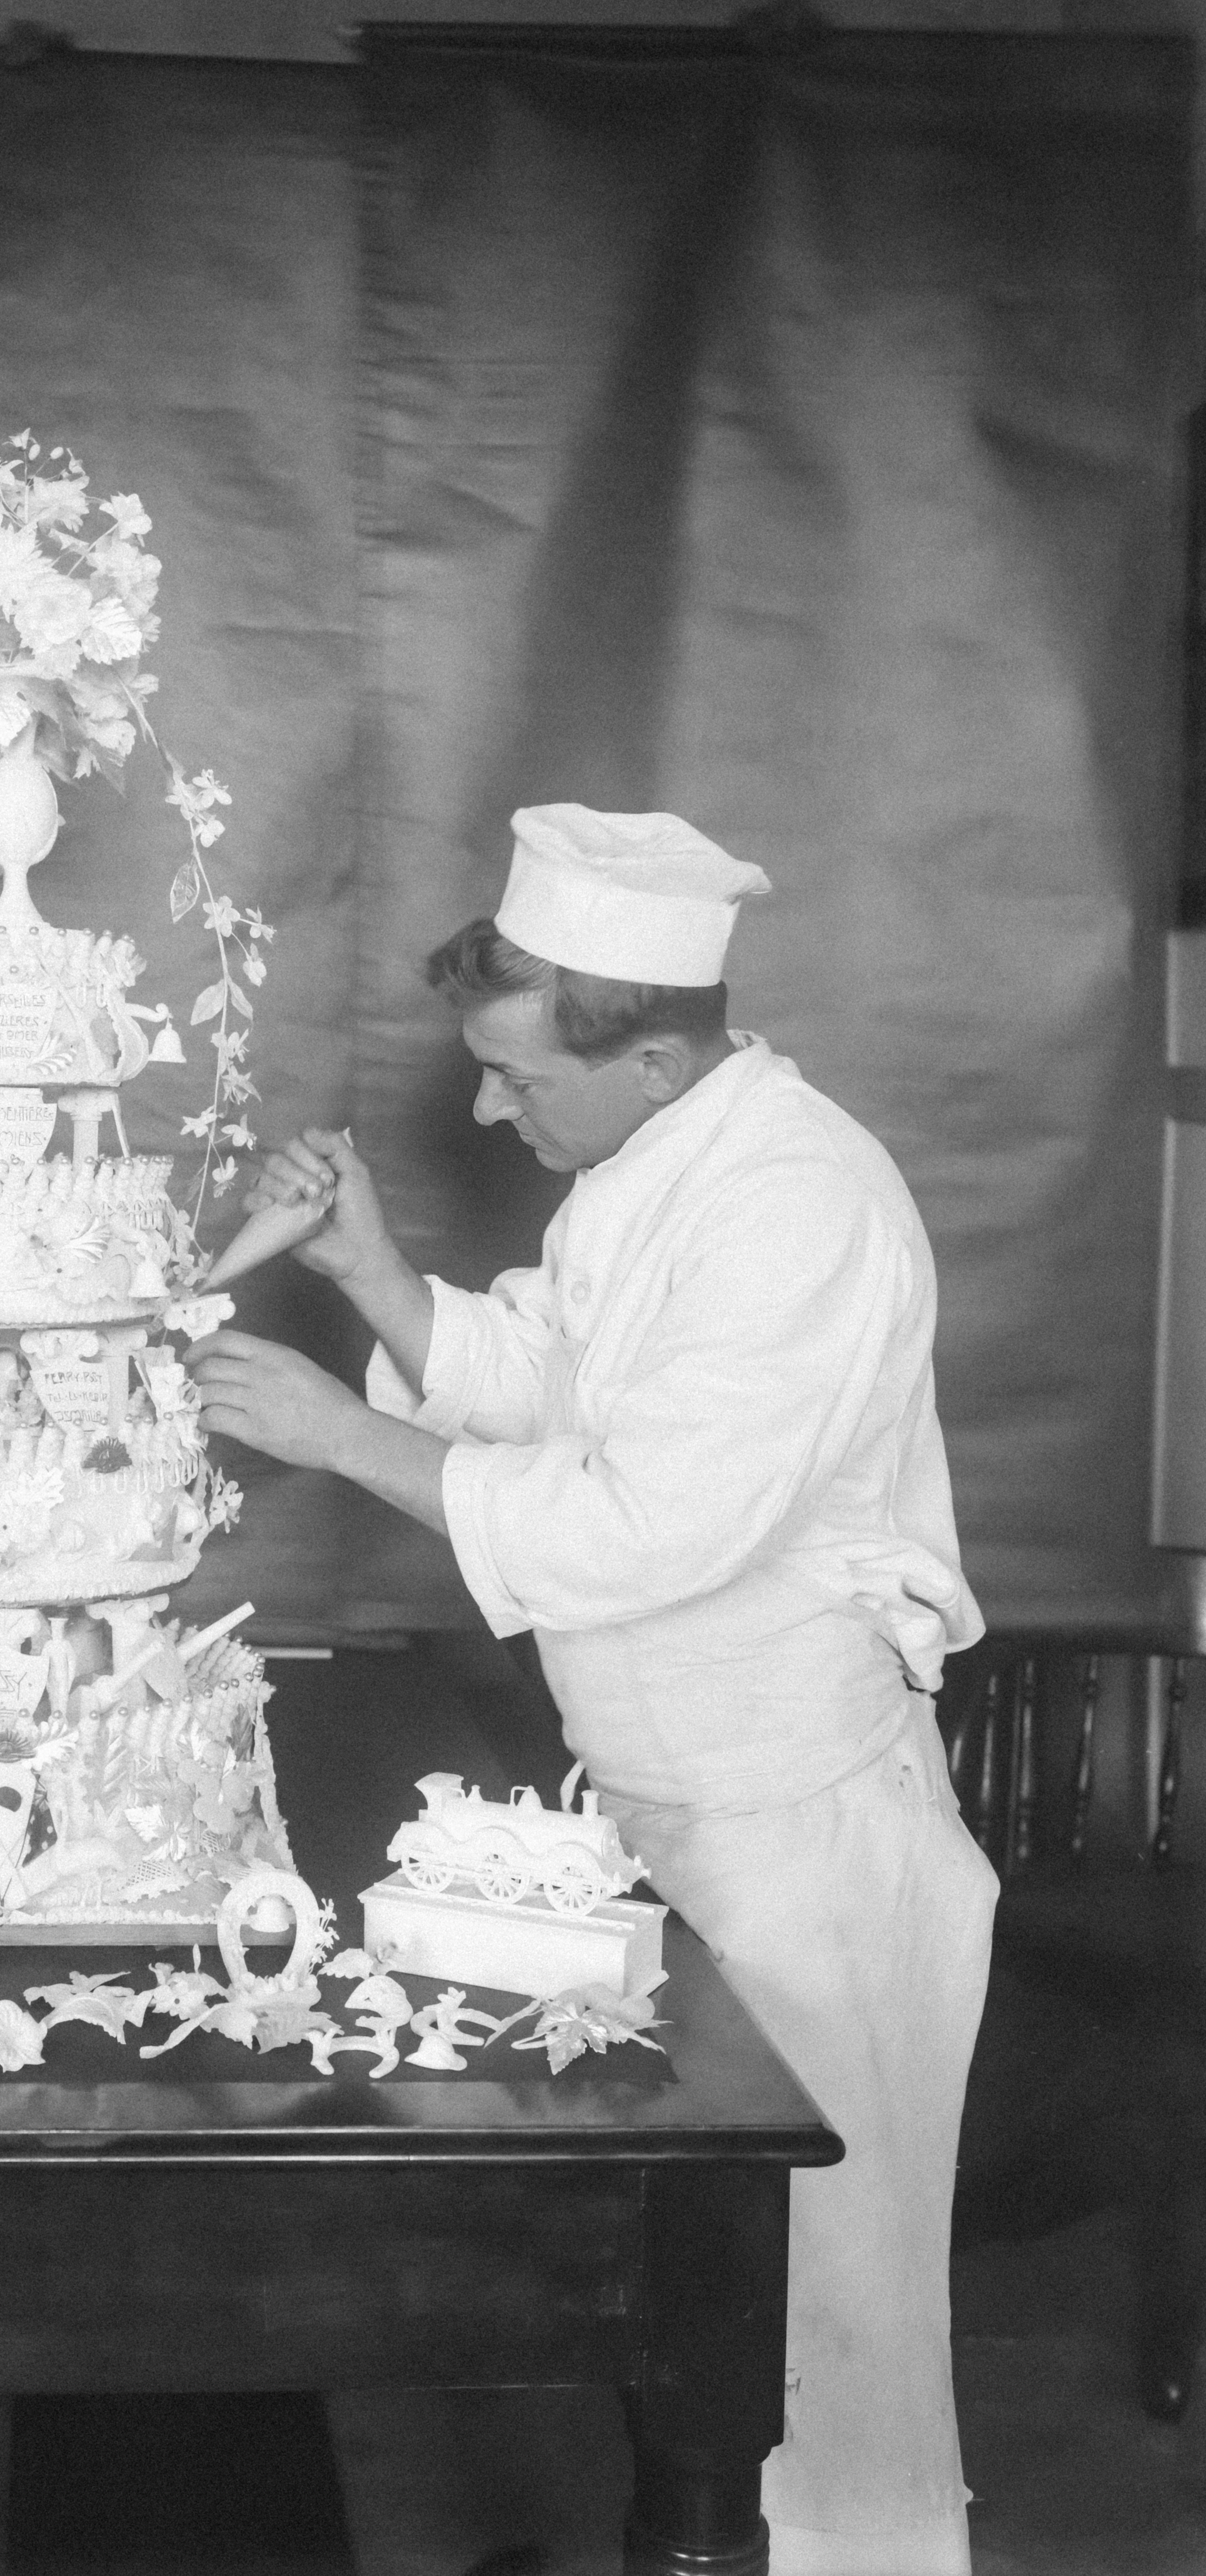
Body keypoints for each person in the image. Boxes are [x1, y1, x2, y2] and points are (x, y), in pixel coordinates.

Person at [187, 803, 999, 2576]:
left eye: (512, 1077)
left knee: (829, 2350)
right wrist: (370, 1274)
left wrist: (339, 1436)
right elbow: (556, 1378)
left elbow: (647, 1524)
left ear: (649, 1057)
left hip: (800, 1833)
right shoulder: (654, 1159)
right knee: (702, 2323)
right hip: (665, 1808)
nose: (489, 1113)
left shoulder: (797, 1206)